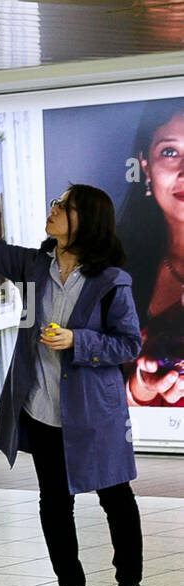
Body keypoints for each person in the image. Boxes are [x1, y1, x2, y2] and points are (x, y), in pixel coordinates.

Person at [0, 185, 144, 586]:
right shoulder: (34, 266)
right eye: (55, 202)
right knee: (54, 501)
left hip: (95, 413)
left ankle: (128, 583)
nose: (52, 210)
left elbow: (128, 344)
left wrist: (78, 341)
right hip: (42, 408)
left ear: (85, 221)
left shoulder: (111, 280)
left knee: (116, 497)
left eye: (63, 207)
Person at [121, 98, 184, 406]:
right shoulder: (116, 271)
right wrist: (141, 388)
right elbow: (93, 404)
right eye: (170, 152)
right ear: (146, 165)